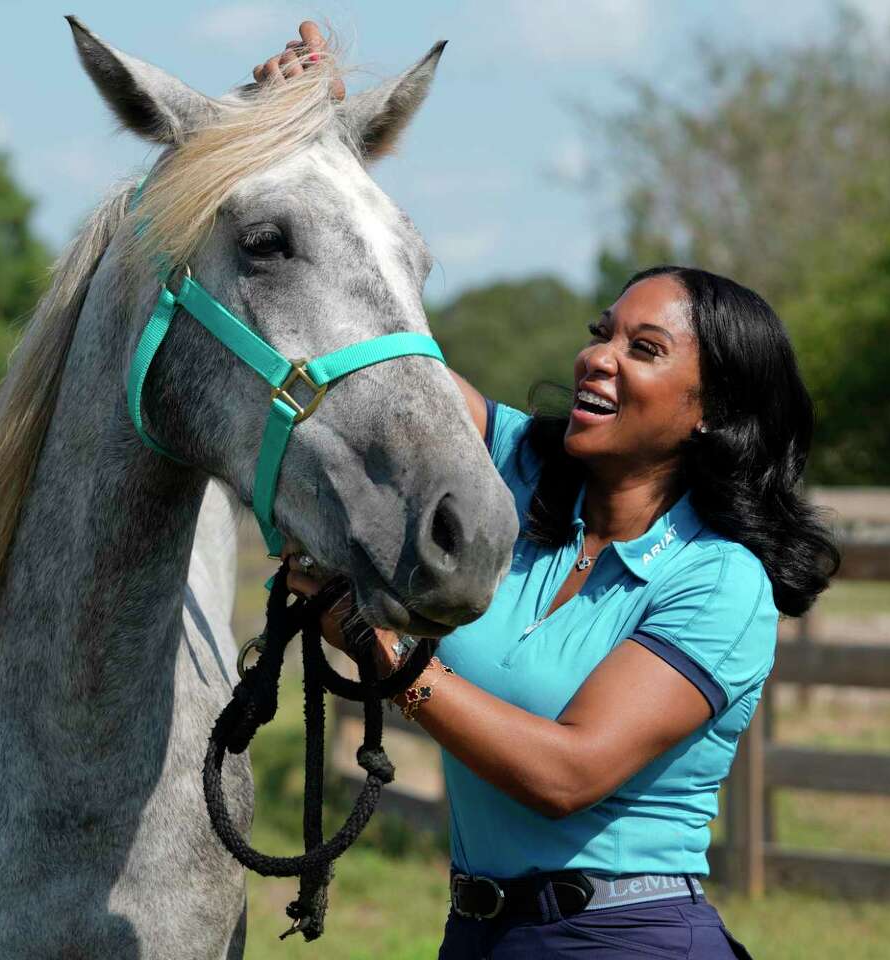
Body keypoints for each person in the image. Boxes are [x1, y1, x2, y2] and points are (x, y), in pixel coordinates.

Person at [261, 23, 840, 959]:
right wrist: (299, 138)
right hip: (477, 934)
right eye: (601, 331)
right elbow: (381, 365)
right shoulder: (522, 475)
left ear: (709, 410)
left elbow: (568, 775)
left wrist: (383, 652)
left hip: (626, 938)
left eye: (642, 350)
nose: (597, 357)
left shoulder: (718, 581)